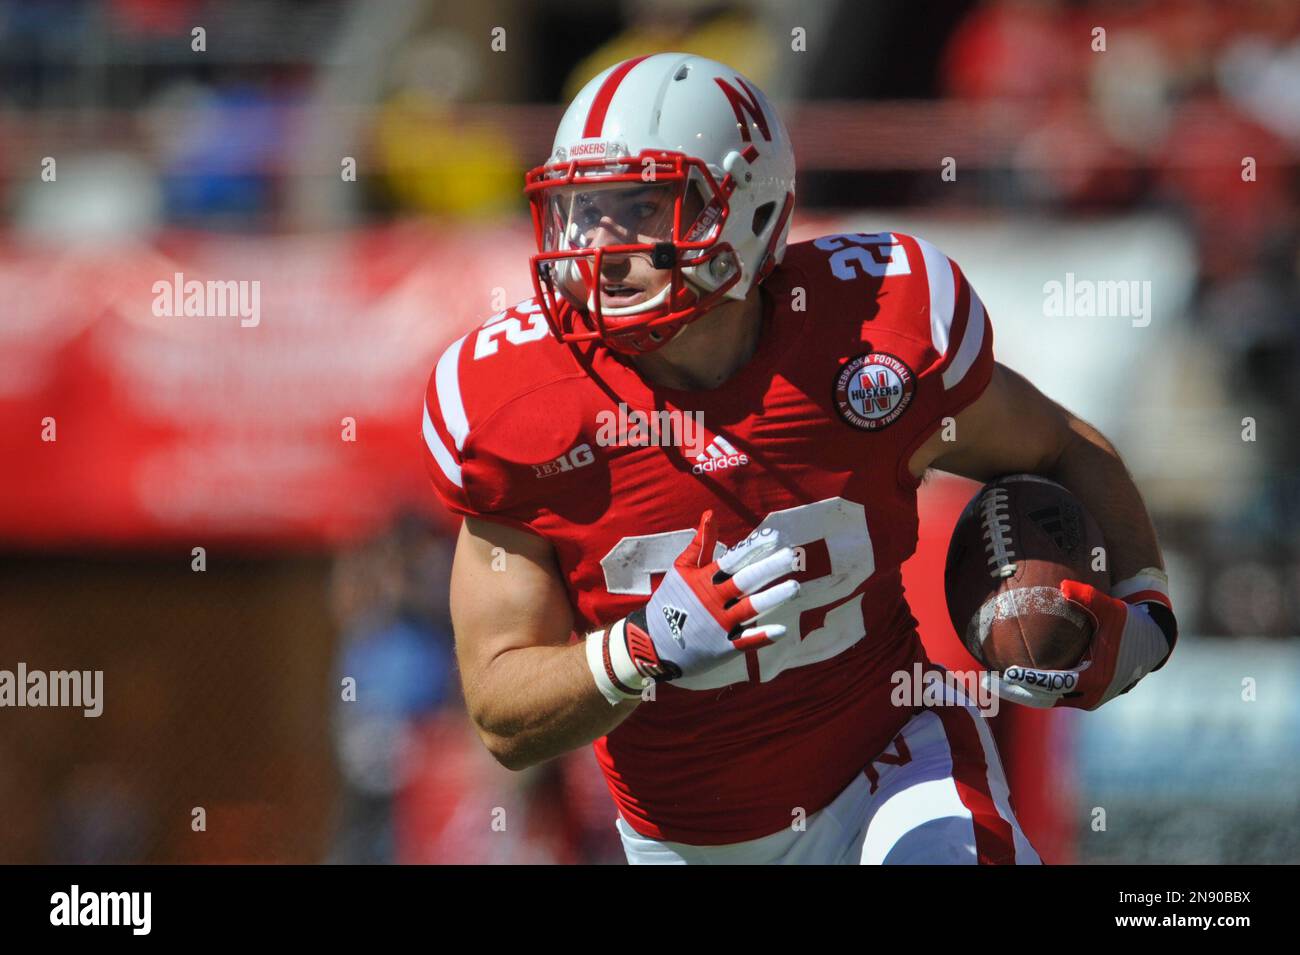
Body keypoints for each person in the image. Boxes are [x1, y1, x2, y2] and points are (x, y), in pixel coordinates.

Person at [420, 53, 1177, 864]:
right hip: (685, 839)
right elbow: (502, 714)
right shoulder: (515, 405)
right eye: (582, 209)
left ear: (745, 212)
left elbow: (1061, 444)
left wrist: (1144, 605)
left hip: (889, 768)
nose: (596, 247)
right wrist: (640, 646)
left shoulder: (873, 330)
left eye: (638, 206)